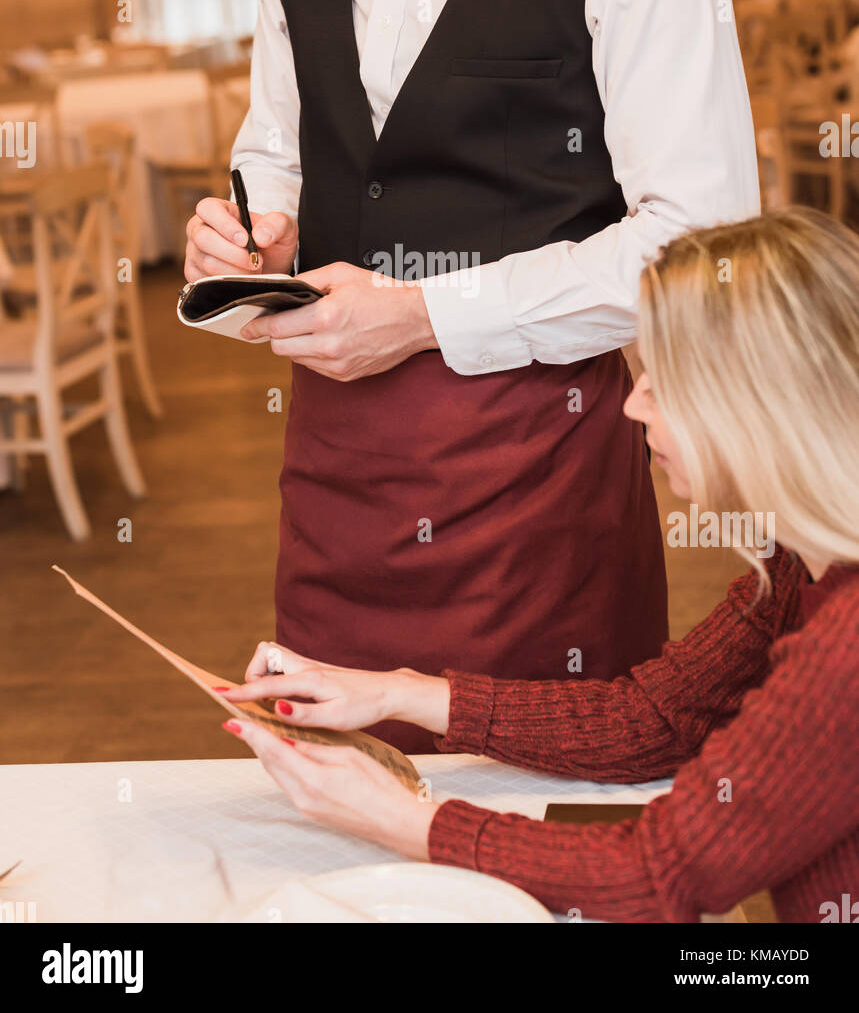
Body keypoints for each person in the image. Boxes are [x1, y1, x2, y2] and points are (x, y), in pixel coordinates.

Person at [188, 0, 759, 753]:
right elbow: (279, 151)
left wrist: (422, 314)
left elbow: (706, 249)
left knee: (541, 849)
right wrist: (252, 234)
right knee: (338, 832)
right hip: (335, 487)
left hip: (536, 492)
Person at [219, 209, 859, 923]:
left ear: (762, 403)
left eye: (661, 379)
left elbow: (654, 877)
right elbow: (653, 719)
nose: (632, 405)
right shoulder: (800, 565)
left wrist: (400, 820)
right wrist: (395, 693)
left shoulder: (844, 642)